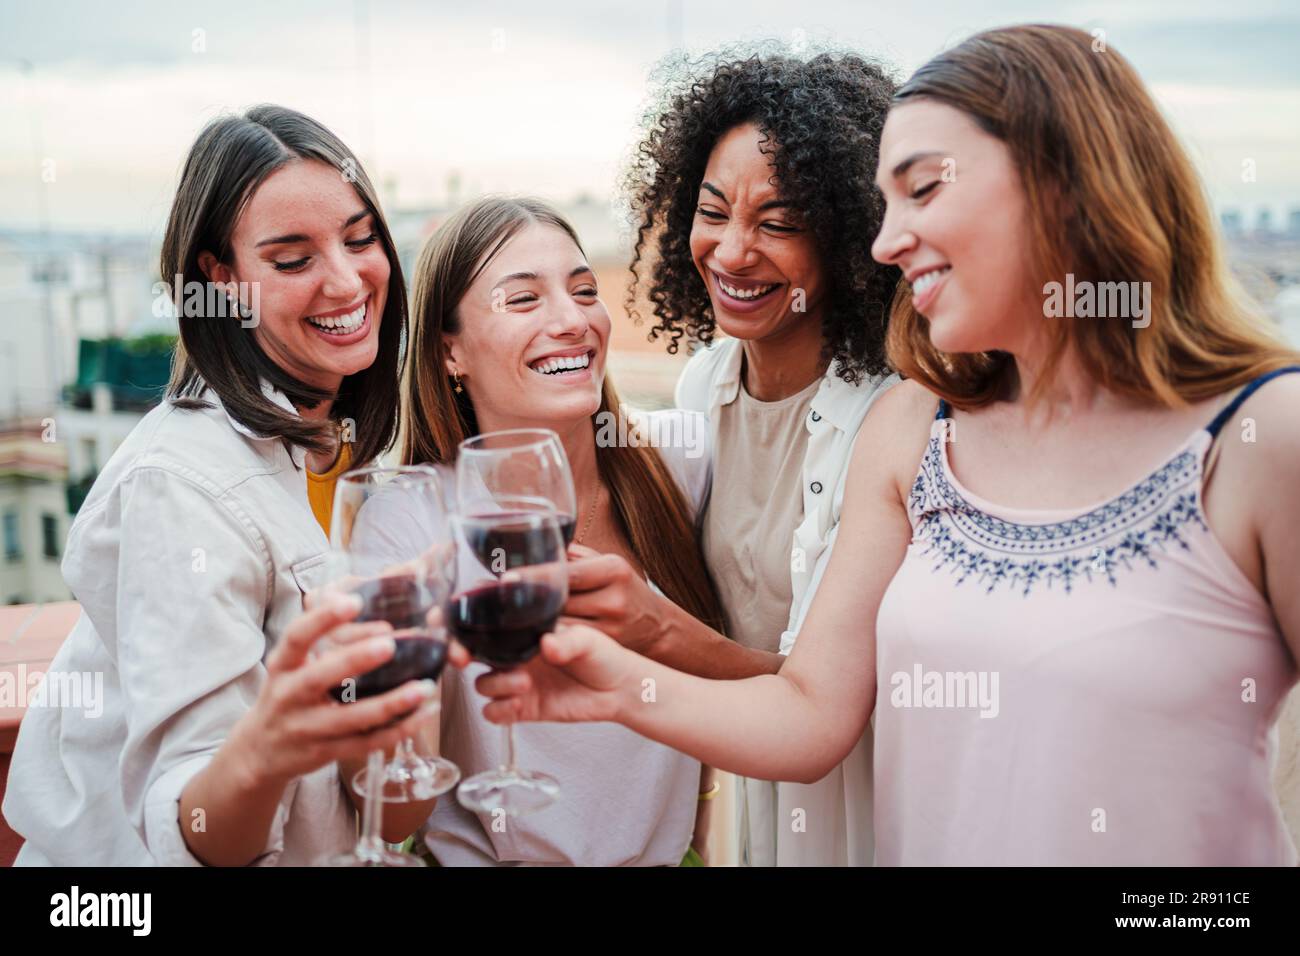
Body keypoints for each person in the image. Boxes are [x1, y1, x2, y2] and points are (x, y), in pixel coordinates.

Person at [474, 25, 1300, 865]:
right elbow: (812, 713)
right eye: (883, 201)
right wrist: (616, 682)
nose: (885, 242)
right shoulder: (920, 433)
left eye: (923, 191)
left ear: (1064, 186)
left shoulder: (1266, 438)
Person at [3, 105, 439, 866]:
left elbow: (390, 808)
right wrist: (271, 741)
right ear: (222, 280)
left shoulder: (348, 452)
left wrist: (412, 690)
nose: (346, 279)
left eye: (361, 238)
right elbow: (193, 834)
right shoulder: (180, 488)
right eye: (293, 259)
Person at [558, 49, 900, 865]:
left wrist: (654, 631)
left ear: (851, 243)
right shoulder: (706, 388)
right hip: (757, 812)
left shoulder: (888, 419)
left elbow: (819, 697)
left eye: (779, 224)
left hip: (865, 809)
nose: (733, 250)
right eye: (713, 211)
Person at [398, 195, 728, 866]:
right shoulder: (412, 516)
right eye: (523, 300)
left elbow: (769, 695)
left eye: (584, 291)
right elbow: (391, 813)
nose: (572, 320)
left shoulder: (685, 462)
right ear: (449, 350)